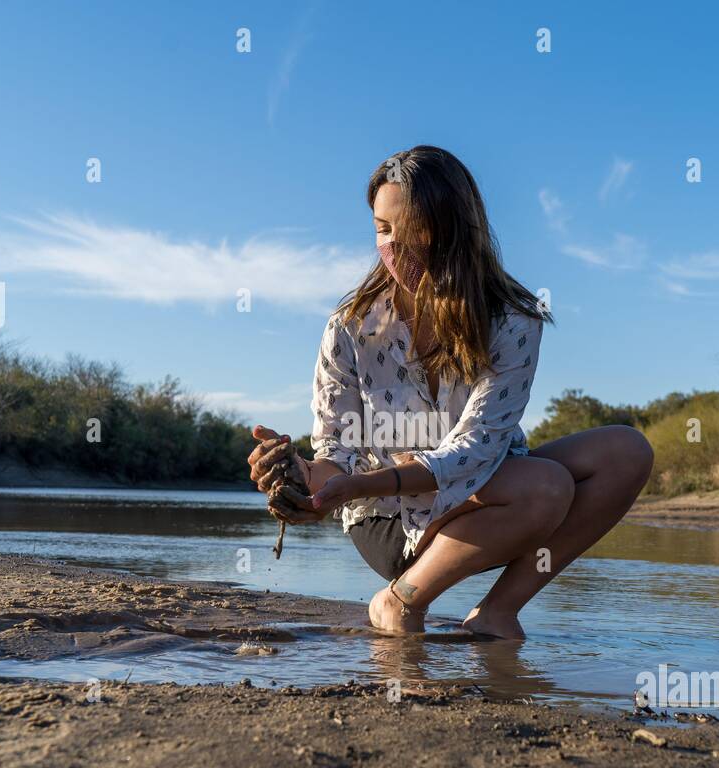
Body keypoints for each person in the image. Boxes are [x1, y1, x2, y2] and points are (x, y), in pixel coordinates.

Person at [248, 145, 653, 639]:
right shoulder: (350, 327)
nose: (395, 247)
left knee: (625, 451)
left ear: (454, 230)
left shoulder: (513, 321)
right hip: (388, 520)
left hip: (488, 495)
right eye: (383, 229)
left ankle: (497, 612)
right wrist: (303, 474)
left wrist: (374, 479)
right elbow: (339, 454)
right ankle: (401, 599)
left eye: (413, 230)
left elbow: (478, 448)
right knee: (545, 485)